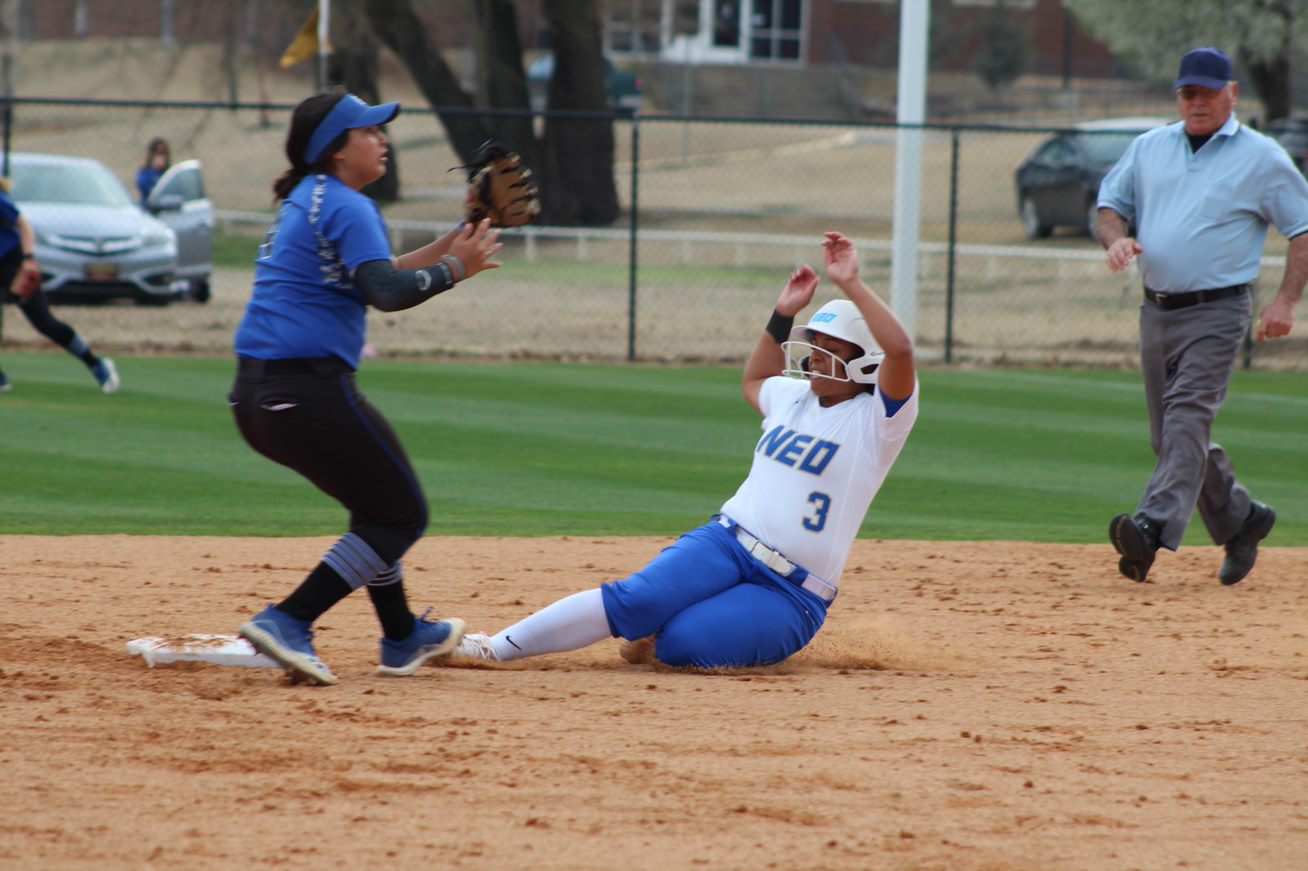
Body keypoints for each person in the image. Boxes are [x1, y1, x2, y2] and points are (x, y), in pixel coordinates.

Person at [452, 231, 918, 669]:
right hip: (726, 542)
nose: (815, 356)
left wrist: (851, 284)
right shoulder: (794, 398)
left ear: (864, 362)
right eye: (814, 346)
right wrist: (783, 314)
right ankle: (494, 647)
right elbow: (755, 379)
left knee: (679, 646)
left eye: (831, 349)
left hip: (791, 593)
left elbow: (900, 351)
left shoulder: (878, 422)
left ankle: (685, 626)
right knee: (636, 600)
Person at [232, 89, 504, 685]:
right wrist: (457, 269)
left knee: (375, 508)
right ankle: (289, 620)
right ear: (335, 149)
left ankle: (402, 635)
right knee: (401, 515)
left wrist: (460, 239)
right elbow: (386, 293)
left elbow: (377, 271)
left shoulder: (311, 197)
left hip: (259, 397)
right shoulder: (350, 205)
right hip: (308, 394)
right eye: (369, 131)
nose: (383, 140)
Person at [1096, 46, 1308, 586]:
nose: (1197, 101)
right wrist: (1116, 241)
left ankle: (1150, 529)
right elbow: (1110, 204)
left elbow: (1302, 228)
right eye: (1189, 92)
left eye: (1209, 92)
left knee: (1187, 417)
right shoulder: (1150, 146)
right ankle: (1243, 519)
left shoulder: (1261, 156)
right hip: (1156, 309)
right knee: (1169, 437)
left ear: (1232, 94)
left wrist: (1285, 301)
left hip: (1219, 310)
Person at [0, 178, 119, 394]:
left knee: (45, 323)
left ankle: (96, 363)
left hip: (12, 263)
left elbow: (24, 225)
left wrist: (28, 258)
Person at [136, 137, 170, 204]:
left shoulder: (169, 173)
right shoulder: (145, 173)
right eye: (158, 153)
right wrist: (155, 170)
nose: (161, 157)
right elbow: (144, 187)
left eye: (163, 153)